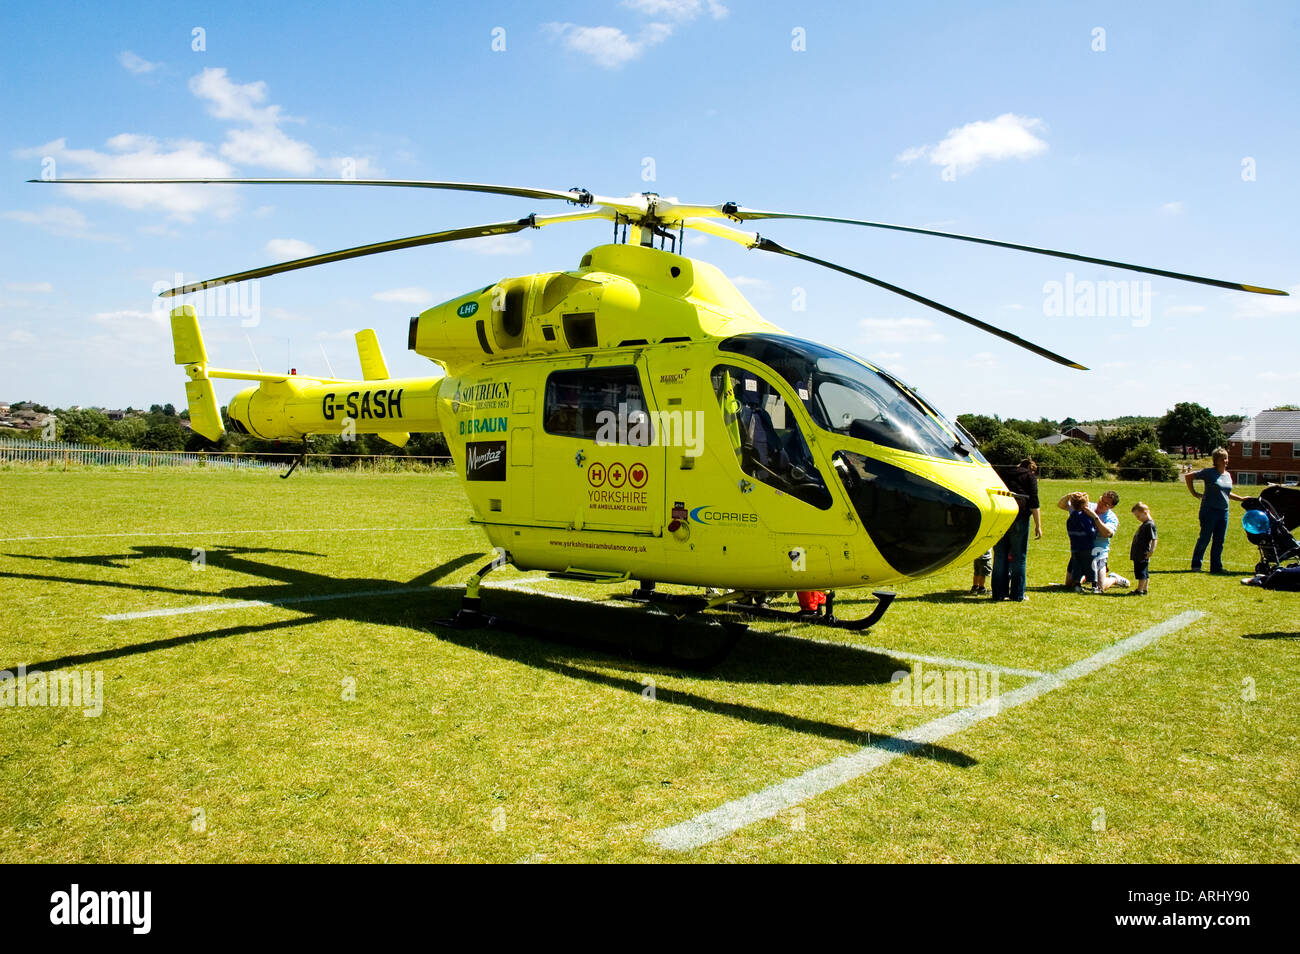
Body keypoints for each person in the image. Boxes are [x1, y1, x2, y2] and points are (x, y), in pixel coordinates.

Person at [1183, 448, 1245, 573]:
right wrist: (1195, 493)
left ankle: (1216, 567)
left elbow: (1226, 492)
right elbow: (1188, 476)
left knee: (1219, 540)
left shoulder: (1227, 475)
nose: (1226, 461)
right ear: (1216, 461)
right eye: (1223, 459)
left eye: (1226, 458)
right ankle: (1196, 565)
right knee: (1205, 538)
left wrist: (1241, 499)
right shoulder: (1209, 472)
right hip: (1209, 511)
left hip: (1224, 512)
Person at [991, 458, 1042, 601]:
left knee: (1000, 556)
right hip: (1020, 516)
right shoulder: (1030, 477)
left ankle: (999, 594)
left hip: (1002, 516)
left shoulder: (1003, 473)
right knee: (1019, 557)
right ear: (1032, 469)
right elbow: (1034, 502)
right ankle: (1017, 594)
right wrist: (1038, 525)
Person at [1058, 489, 1128, 592]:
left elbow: (1107, 534)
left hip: (1098, 552)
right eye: (1101, 500)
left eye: (1106, 504)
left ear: (1111, 507)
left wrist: (1095, 517)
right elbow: (1061, 505)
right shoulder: (1087, 505)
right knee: (1069, 584)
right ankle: (1086, 575)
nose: (1101, 504)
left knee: (1101, 586)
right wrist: (1070, 496)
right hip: (1081, 549)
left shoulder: (1111, 518)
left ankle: (1114, 579)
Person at [1129, 502, 1157, 595]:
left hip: (1143, 553)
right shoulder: (1145, 524)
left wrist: (1151, 551)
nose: (1138, 519)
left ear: (1145, 513)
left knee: (1141, 572)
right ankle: (1145, 589)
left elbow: (1154, 539)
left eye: (1138, 516)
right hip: (1138, 553)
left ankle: (1140, 590)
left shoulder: (1149, 525)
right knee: (1143, 571)